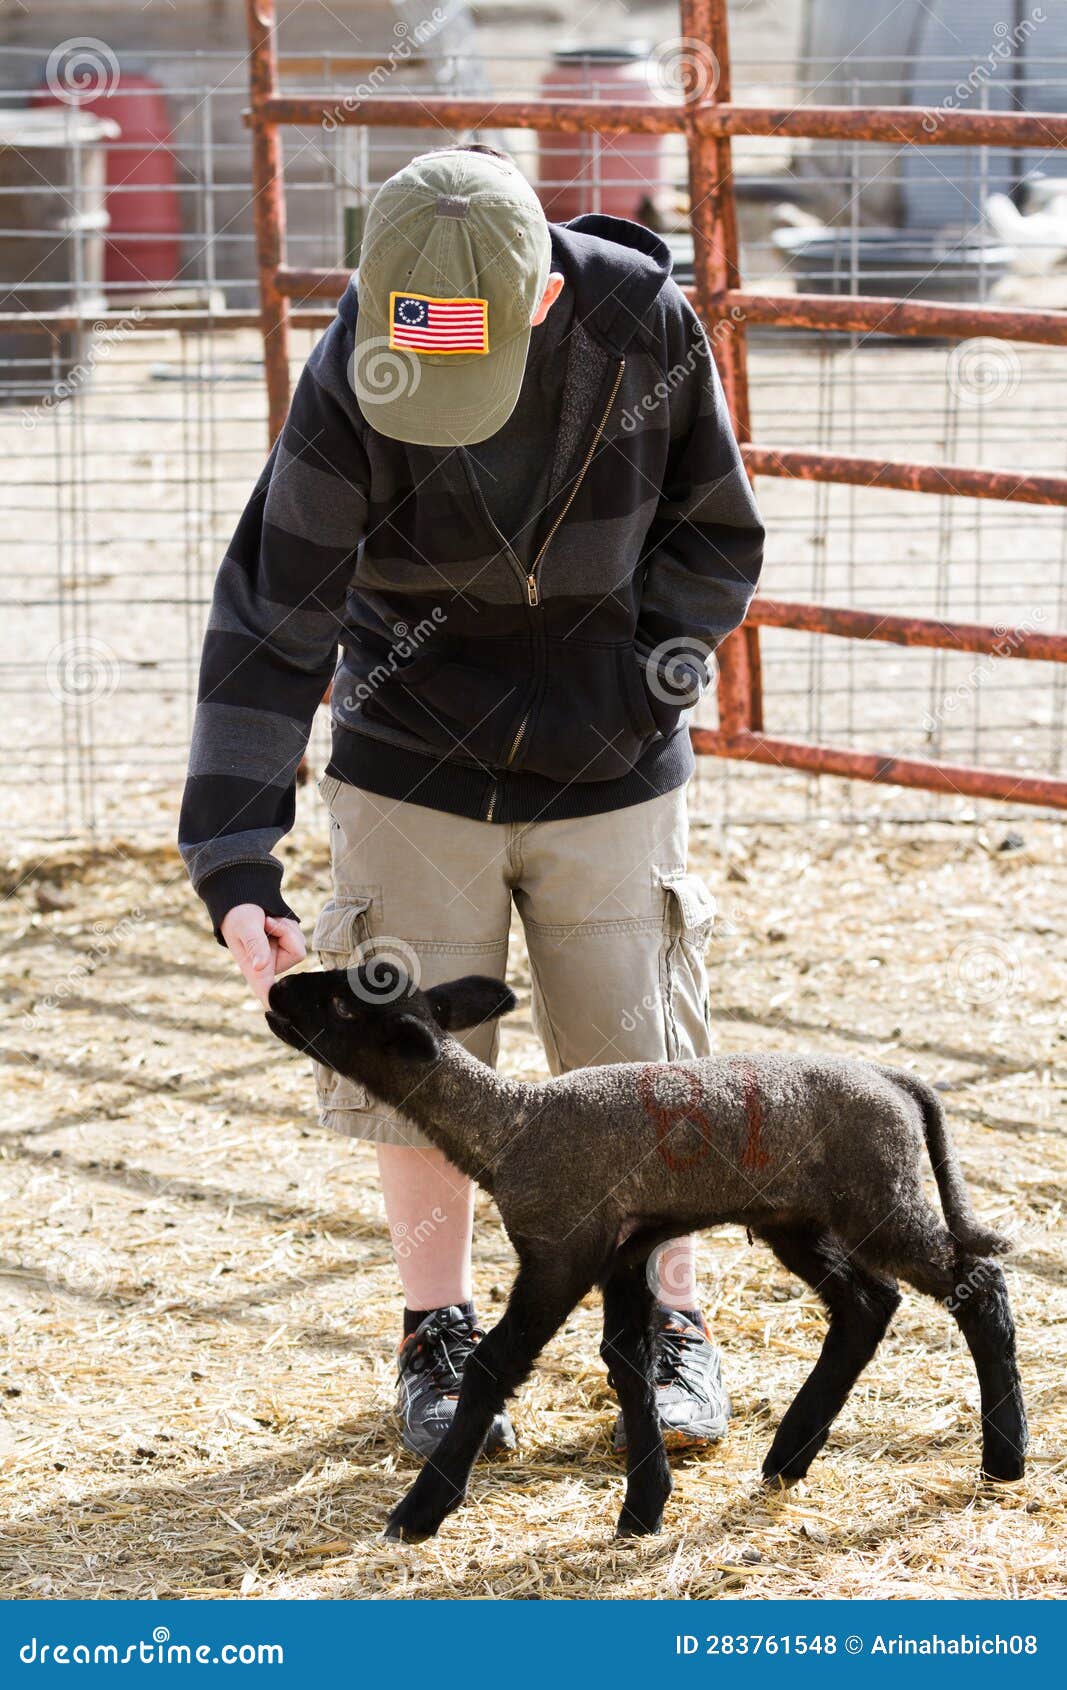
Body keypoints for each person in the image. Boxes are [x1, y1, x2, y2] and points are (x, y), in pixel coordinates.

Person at [179, 144, 764, 1459]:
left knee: (636, 1056)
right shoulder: (356, 365)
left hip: (610, 759)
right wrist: (238, 866)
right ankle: (437, 1331)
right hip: (410, 754)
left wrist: (646, 684)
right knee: (417, 1058)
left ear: (543, 304)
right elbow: (277, 618)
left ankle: (665, 1326)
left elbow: (715, 532)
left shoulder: (640, 326)